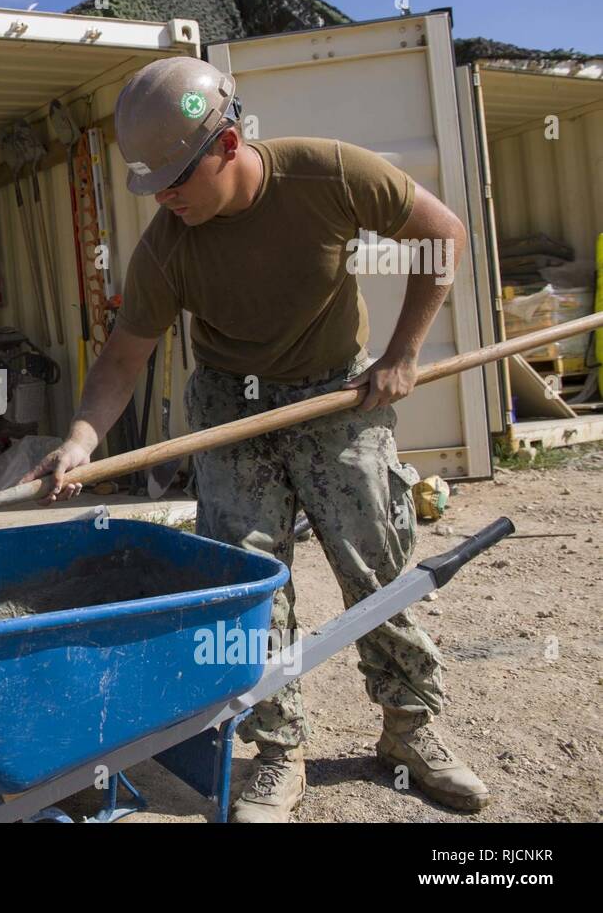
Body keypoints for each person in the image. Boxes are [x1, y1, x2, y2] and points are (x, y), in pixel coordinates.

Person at [27, 58, 489, 822]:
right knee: (250, 583)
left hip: (339, 394)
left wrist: (404, 353)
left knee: (375, 569)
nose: (165, 200)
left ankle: (412, 730)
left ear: (230, 143)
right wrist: (81, 438)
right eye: (153, 185)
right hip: (233, 408)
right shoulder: (166, 247)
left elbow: (443, 235)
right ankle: (279, 750)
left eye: (176, 179)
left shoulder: (328, 174)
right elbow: (124, 355)